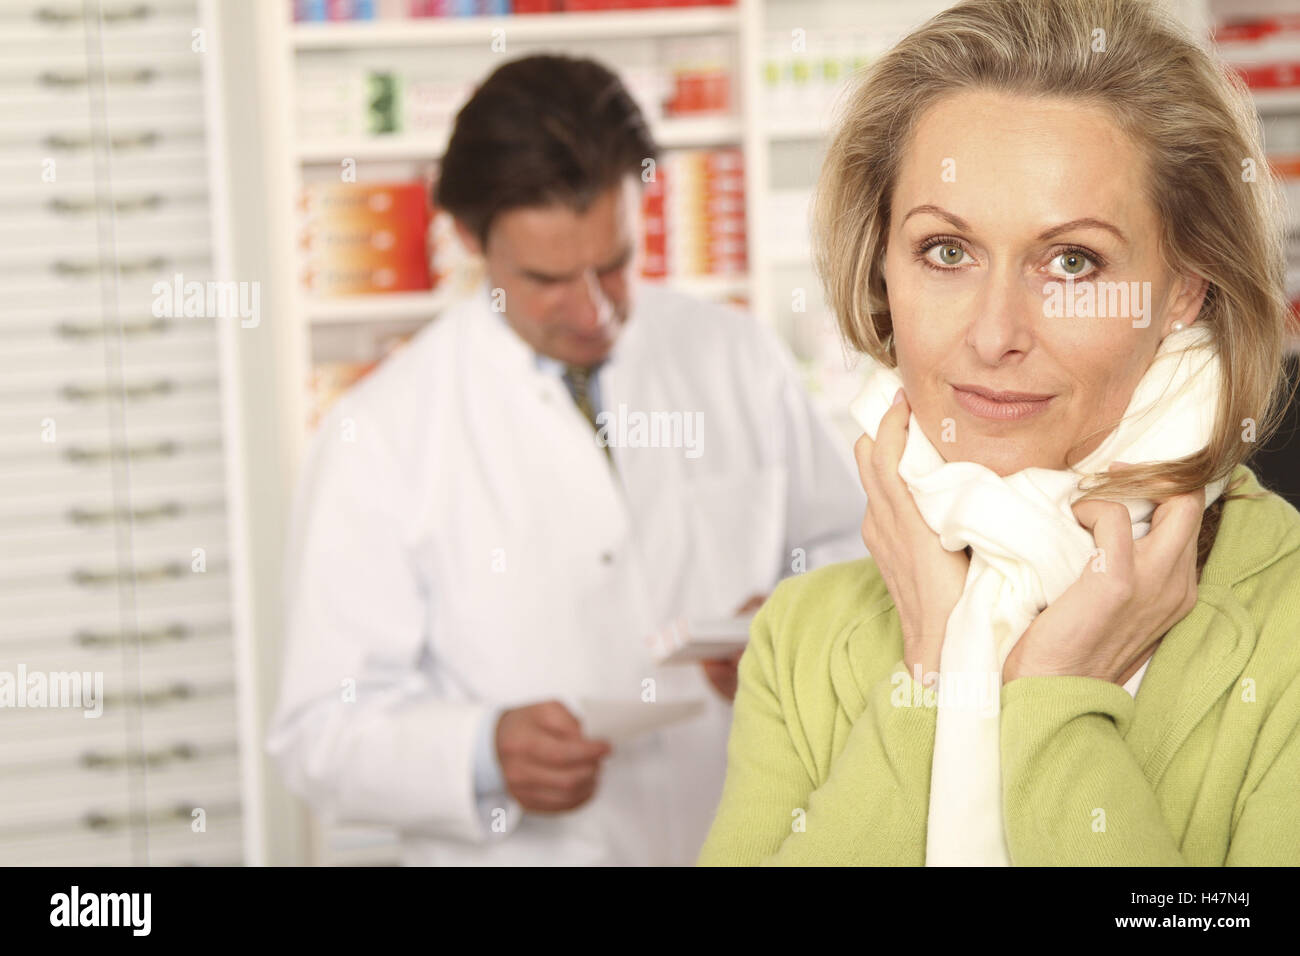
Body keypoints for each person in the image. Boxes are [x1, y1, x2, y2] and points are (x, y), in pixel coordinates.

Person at [699, 0, 1300, 866]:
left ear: (1185, 289)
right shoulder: (802, 636)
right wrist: (931, 675)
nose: (993, 334)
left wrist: (1054, 702)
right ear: (881, 266)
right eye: (946, 250)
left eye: (1072, 262)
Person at [266, 54, 865, 866]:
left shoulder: (733, 355)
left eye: (614, 263)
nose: (592, 309)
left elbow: (851, 552)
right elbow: (319, 731)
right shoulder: (381, 431)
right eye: (547, 279)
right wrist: (480, 750)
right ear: (471, 241)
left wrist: (795, 627)